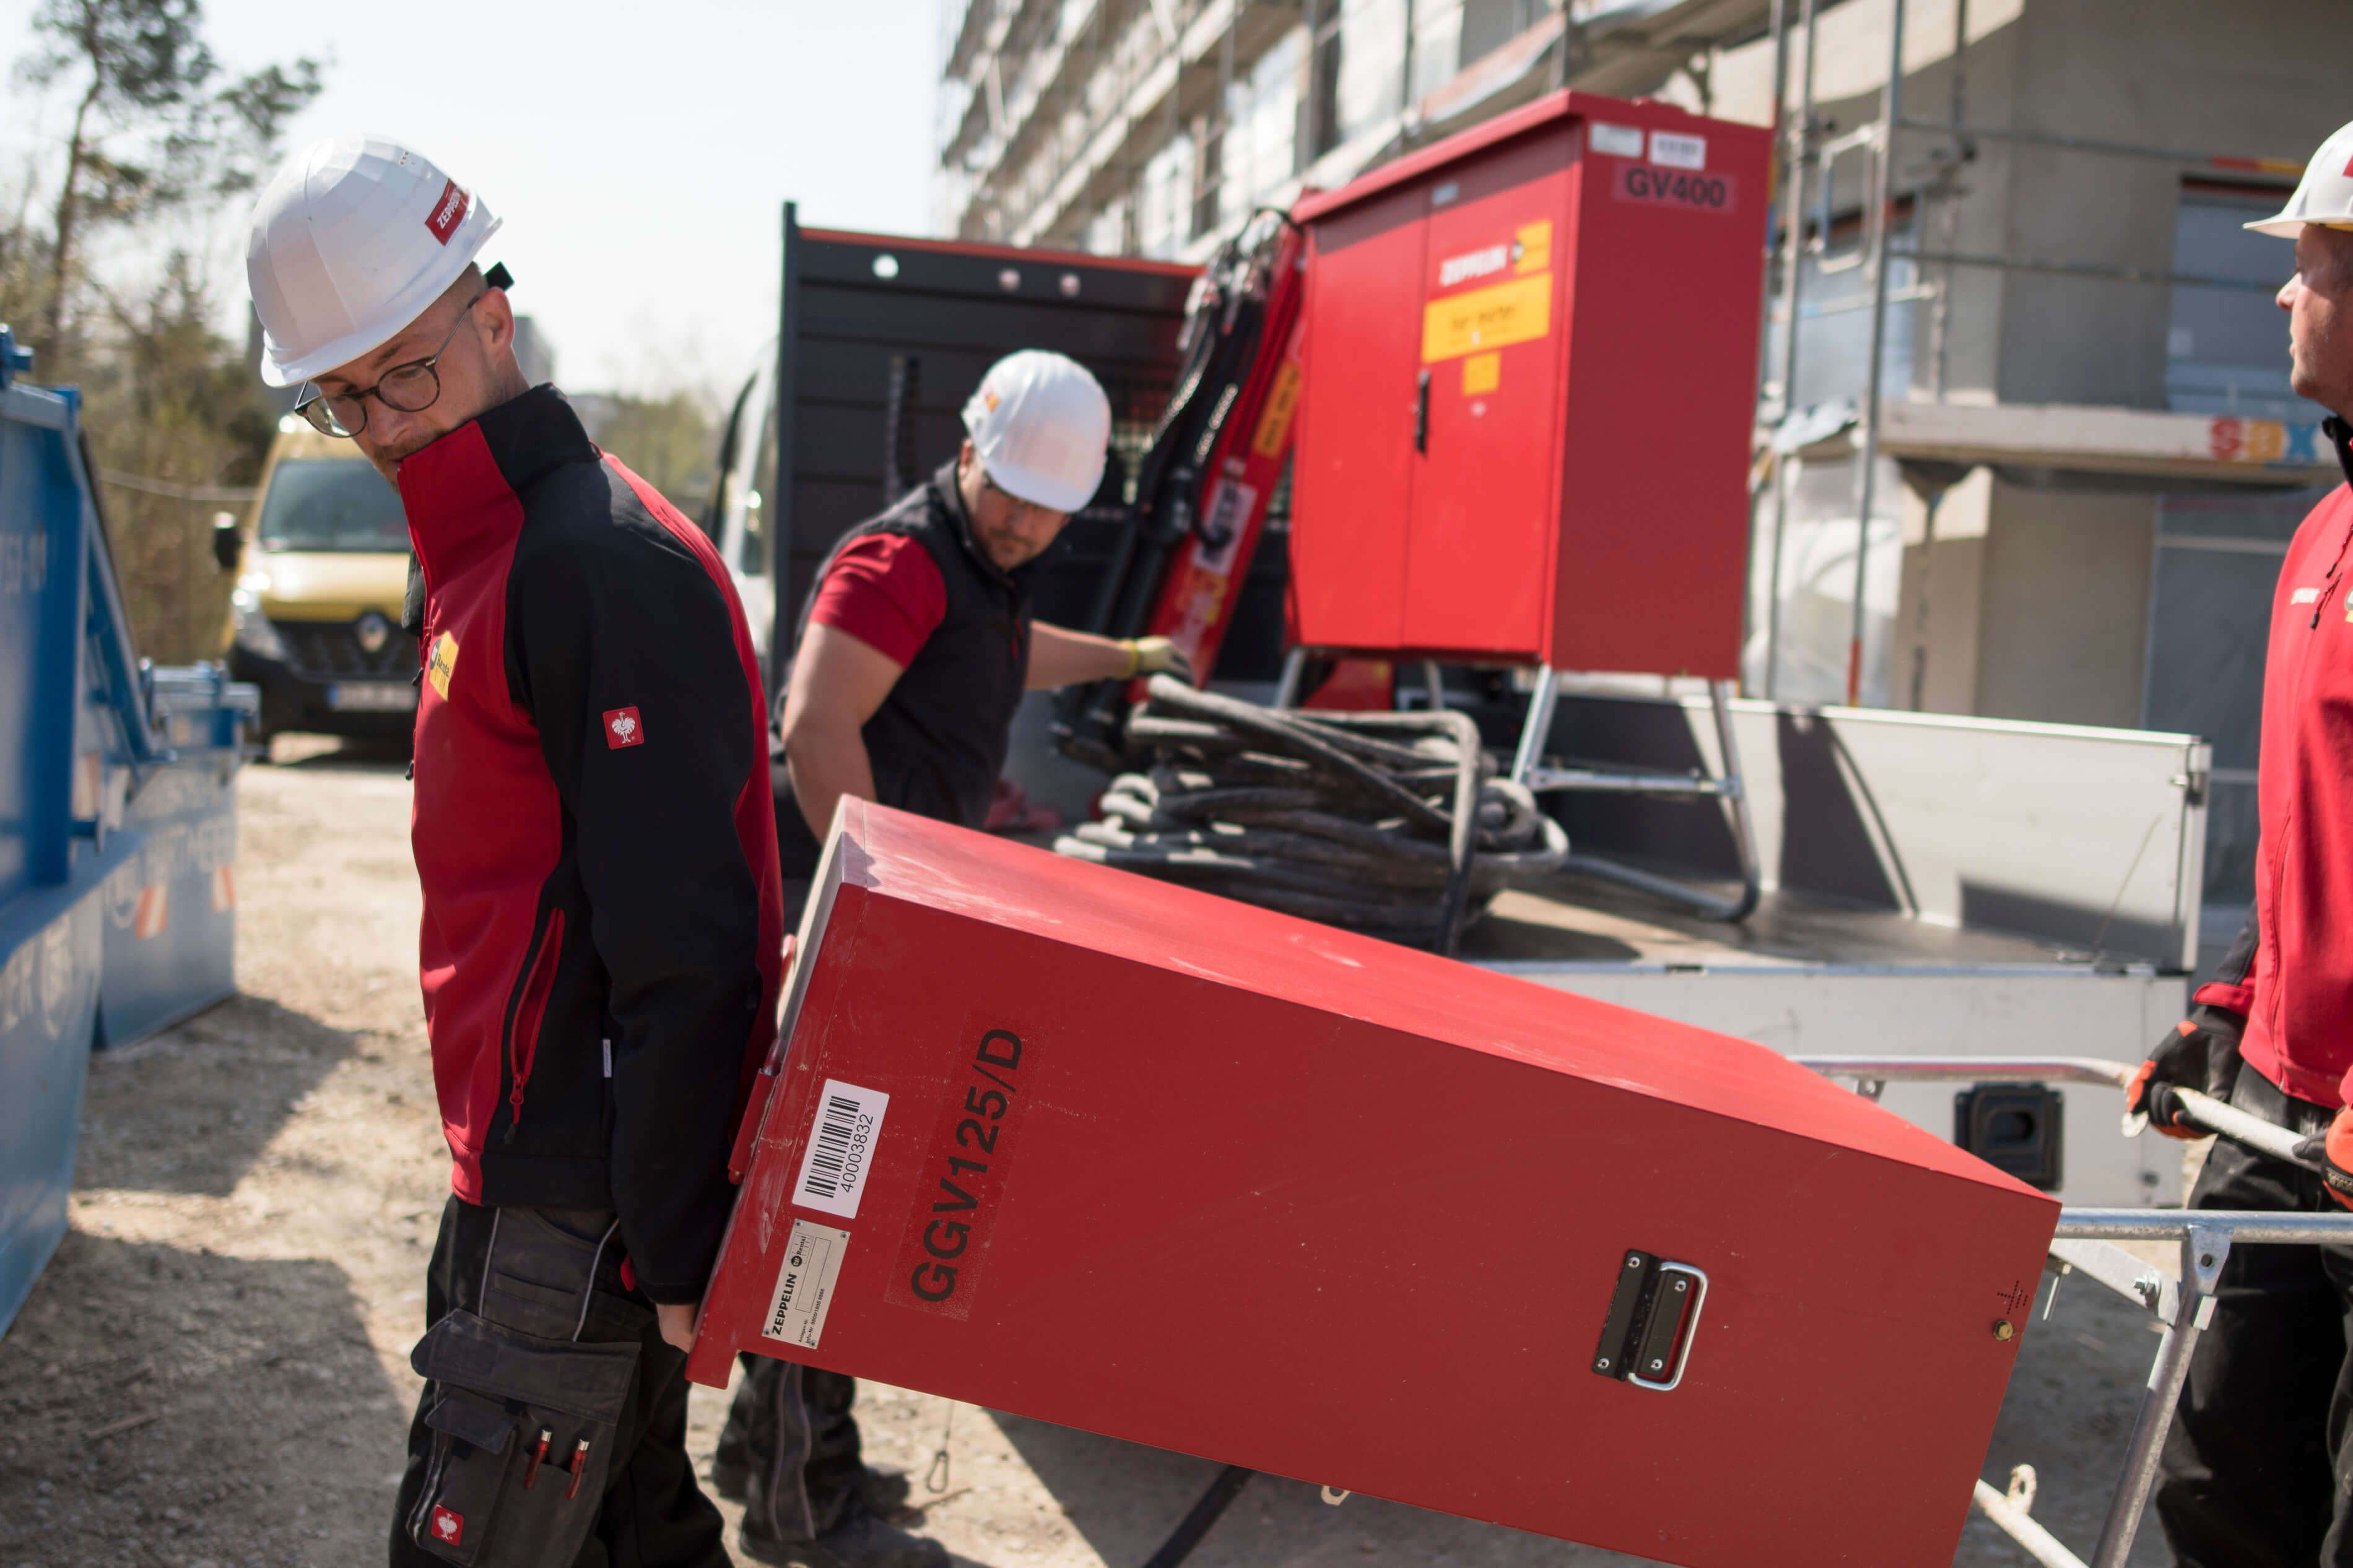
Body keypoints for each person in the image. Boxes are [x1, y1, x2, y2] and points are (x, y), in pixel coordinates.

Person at [247, 133, 782, 1567]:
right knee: (635, 1537)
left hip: (581, 1198)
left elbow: (689, 936)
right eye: (341, 396)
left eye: (403, 373)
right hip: (525, 1167)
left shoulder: (591, 564)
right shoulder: (487, 546)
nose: (383, 424)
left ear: (493, 317)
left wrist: (679, 1244)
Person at [713, 350, 1190, 1567]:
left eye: (1049, 511)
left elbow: (1002, 653)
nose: (1025, 525)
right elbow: (814, 725)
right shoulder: (900, 561)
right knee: (828, 1204)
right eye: (1010, 497)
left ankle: (772, 1452)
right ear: (969, 451)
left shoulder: (978, 572)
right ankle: (802, 1505)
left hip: (890, 922)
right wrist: (883, 897)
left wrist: (1129, 658)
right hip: (861, 927)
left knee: (832, 1196)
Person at [2129, 119, 2353, 1566]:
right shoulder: (2322, 533)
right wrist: (2226, 1005)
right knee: (2212, 1490)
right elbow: (2310, 826)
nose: (2280, 289)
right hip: (2283, 1111)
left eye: (2310, 258)